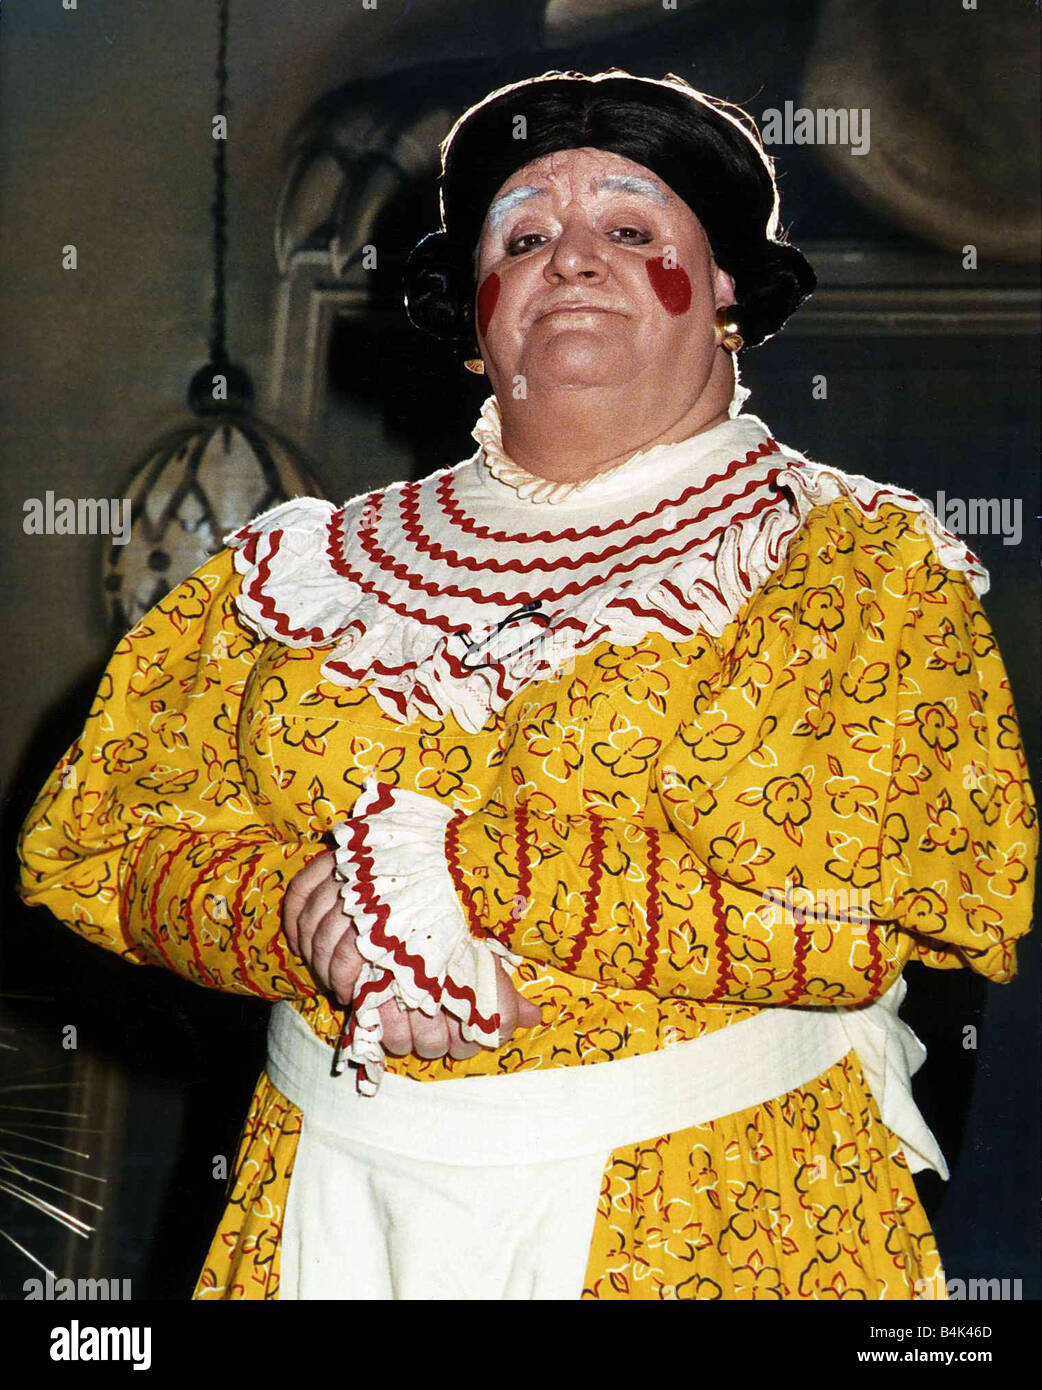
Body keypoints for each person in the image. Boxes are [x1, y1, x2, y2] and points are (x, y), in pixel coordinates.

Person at [17, 70, 1037, 1301]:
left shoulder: (844, 563)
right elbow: (102, 855)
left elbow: (845, 929)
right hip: (330, 1194)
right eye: (524, 234)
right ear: (476, 300)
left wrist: (459, 871)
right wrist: (298, 916)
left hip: (705, 1205)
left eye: (628, 227)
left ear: (723, 285)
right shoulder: (305, 567)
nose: (570, 260)